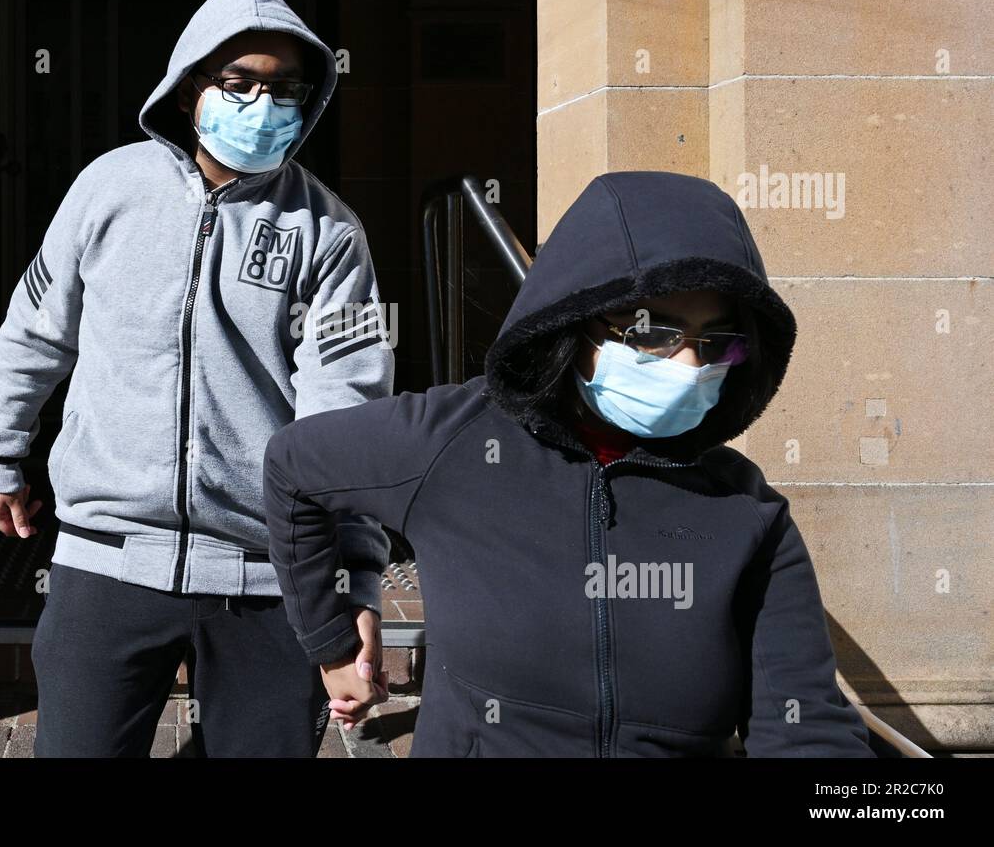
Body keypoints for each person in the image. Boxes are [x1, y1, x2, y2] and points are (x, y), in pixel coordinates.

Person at [263, 170, 876, 756]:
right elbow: (294, 468)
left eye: (715, 341)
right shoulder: (449, 442)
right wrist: (333, 640)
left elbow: (806, 726)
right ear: (573, 321)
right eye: (652, 331)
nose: (688, 364)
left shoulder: (748, 513)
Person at [0, 0, 394, 757]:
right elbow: (35, 327)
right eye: (239, 82)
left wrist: (354, 584)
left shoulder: (330, 233)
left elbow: (349, 425)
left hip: (270, 579)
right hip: (105, 561)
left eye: (286, 88)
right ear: (191, 83)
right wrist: (1, 451)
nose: (262, 104)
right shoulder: (108, 188)